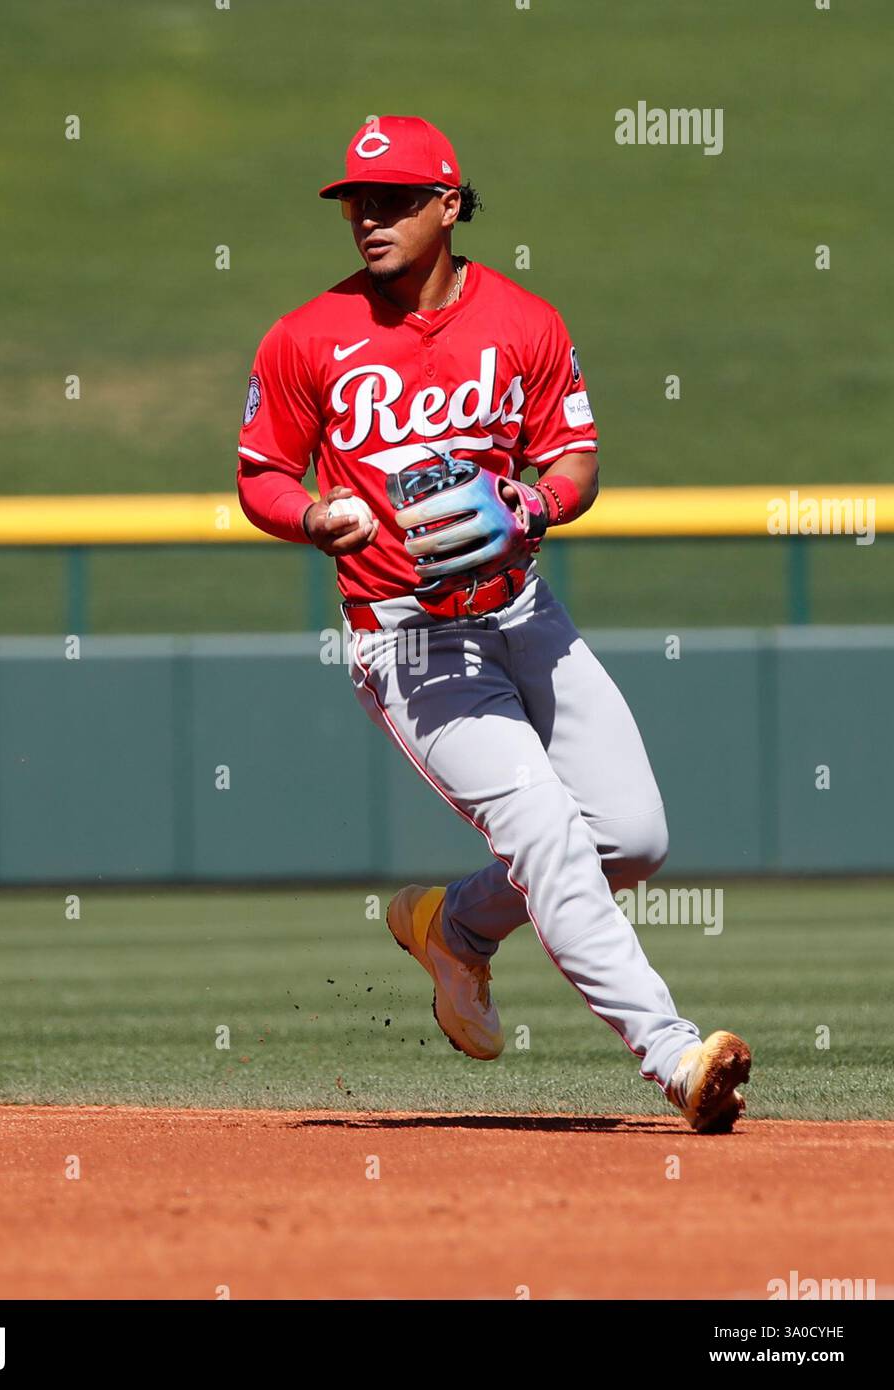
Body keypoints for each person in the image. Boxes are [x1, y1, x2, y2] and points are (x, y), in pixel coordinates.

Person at [237, 114, 750, 1132]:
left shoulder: (523, 321)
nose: (368, 218)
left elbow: (573, 462)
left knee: (632, 837)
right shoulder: (305, 337)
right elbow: (258, 474)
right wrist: (310, 515)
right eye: (355, 203)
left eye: (391, 200)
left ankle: (452, 928)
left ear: (449, 204)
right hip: (408, 635)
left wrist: (533, 505)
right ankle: (672, 1053)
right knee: (547, 831)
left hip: (523, 612)